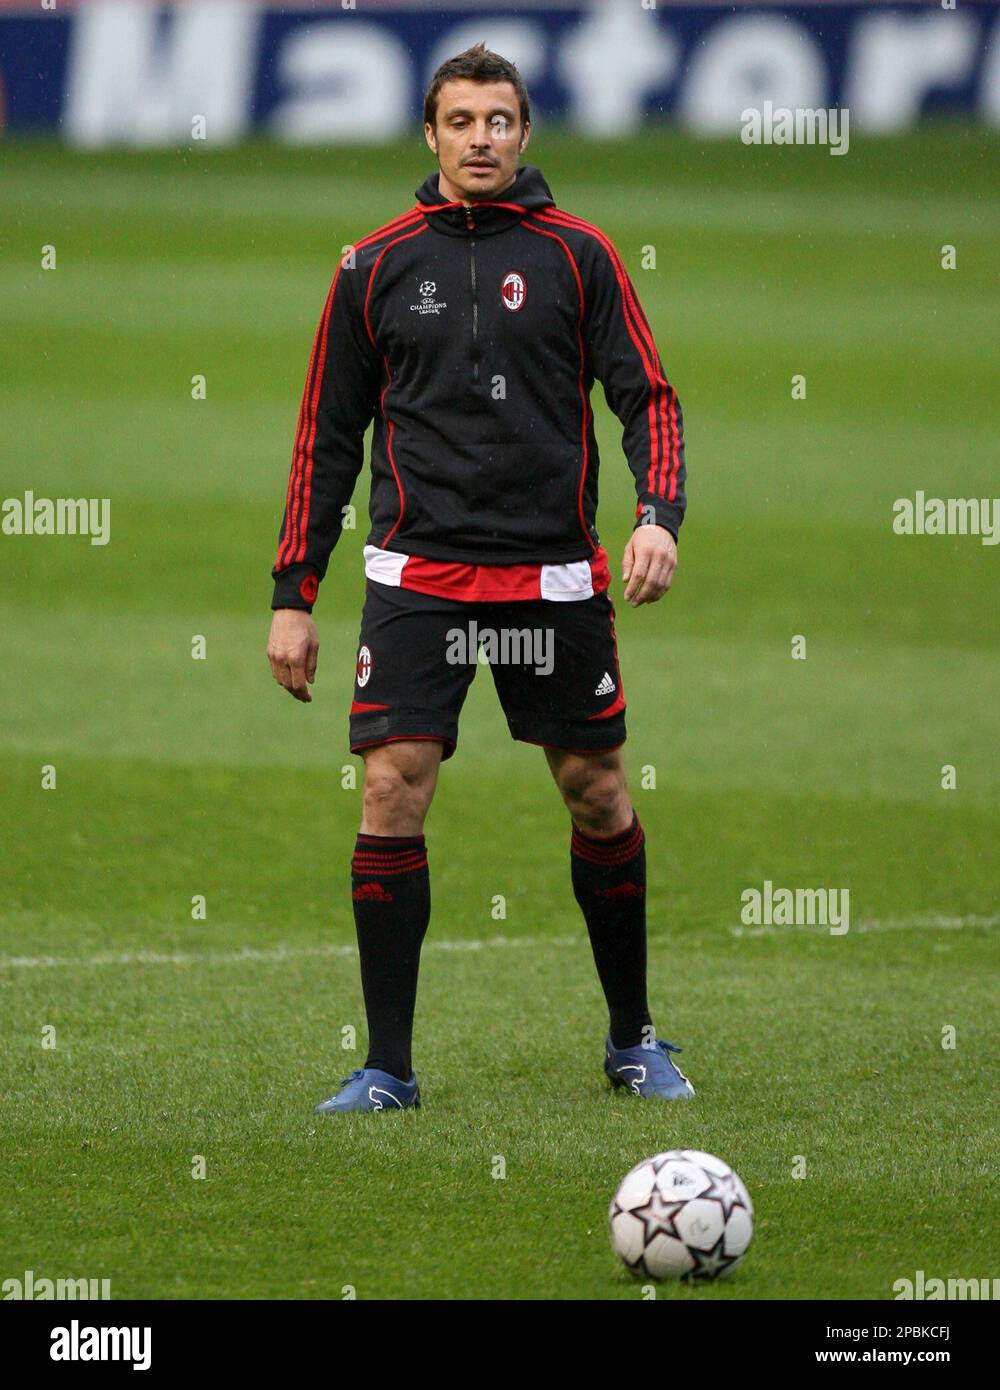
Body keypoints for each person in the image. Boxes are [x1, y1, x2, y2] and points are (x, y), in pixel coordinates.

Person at [266, 44, 691, 1113]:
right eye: (460, 122)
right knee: (389, 788)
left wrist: (656, 517)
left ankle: (633, 1036)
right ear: (430, 135)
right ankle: (388, 1066)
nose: (480, 140)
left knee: (595, 793)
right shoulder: (372, 265)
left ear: (525, 132)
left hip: (550, 581)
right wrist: (292, 593)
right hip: (418, 577)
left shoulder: (580, 255)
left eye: (498, 121)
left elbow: (650, 398)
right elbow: (327, 434)